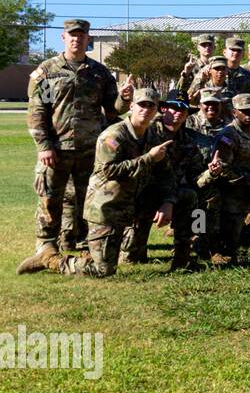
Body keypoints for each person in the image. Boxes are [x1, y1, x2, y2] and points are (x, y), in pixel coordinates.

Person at [20, 18, 132, 273]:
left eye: (81, 35)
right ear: (63, 38)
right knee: (50, 197)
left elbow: (112, 111)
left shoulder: (99, 72)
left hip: (89, 150)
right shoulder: (47, 71)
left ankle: (81, 241)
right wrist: (44, 145)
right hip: (56, 149)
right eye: (72, 35)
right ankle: (46, 245)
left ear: (87, 39)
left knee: (86, 199)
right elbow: (38, 110)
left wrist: (124, 100)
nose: (76, 39)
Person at [32, 89, 172, 277]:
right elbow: (108, 170)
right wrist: (149, 158)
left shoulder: (153, 137)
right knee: (103, 270)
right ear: (131, 107)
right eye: (141, 104)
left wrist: (168, 202)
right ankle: (50, 259)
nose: (145, 110)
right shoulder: (113, 136)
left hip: (131, 205)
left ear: (156, 111)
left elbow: (166, 173)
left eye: (151, 106)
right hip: (105, 208)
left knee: (131, 258)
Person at [120, 92, 204, 272]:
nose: (178, 113)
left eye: (183, 109)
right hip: (138, 192)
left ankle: (184, 255)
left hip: (169, 192)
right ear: (164, 108)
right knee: (131, 259)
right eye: (174, 107)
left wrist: (211, 174)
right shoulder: (147, 132)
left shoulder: (188, 142)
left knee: (192, 195)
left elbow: (195, 175)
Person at [207, 93, 250, 265]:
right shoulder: (228, 136)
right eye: (244, 111)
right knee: (231, 249)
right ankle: (219, 248)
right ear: (234, 112)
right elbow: (223, 170)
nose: (248, 115)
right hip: (229, 191)